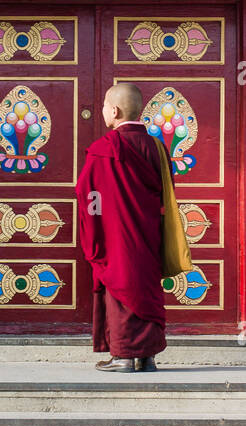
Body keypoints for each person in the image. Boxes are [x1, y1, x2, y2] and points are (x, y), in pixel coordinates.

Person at [75, 82, 191, 373]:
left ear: (113, 110)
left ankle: (124, 356)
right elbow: (167, 191)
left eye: (103, 105)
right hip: (149, 233)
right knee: (147, 287)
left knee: (121, 287)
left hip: (116, 235)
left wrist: (95, 228)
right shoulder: (158, 147)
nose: (102, 110)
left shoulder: (104, 148)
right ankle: (147, 357)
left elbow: (87, 192)